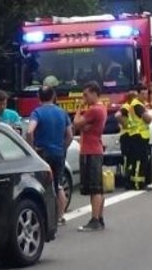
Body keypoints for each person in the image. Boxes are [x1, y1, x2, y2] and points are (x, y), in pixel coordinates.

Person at [29, 84, 71, 217]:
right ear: (53, 96)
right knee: (58, 184)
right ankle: (60, 216)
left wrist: (32, 148)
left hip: (42, 153)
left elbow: (30, 131)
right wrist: (63, 147)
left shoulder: (37, 112)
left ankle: (46, 216)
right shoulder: (62, 112)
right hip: (58, 153)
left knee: (43, 185)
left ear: (38, 97)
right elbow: (69, 135)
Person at [73, 82, 109, 231]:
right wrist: (83, 126)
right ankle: (99, 218)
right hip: (95, 149)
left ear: (94, 93)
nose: (84, 98)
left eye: (86, 95)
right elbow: (82, 126)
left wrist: (79, 109)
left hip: (90, 150)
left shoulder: (94, 110)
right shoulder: (101, 109)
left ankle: (95, 219)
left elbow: (76, 123)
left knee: (94, 188)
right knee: (98, 187)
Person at [119, 91, 152, 189]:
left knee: (139, 160)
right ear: (138, 95)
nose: (145, 96)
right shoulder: (137, 105)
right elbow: (148, 119)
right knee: (139, 160)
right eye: (142, 94)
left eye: (146, 94)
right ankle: (138, 184)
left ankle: (136, 183)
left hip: (138, 135)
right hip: (139, 135)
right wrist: (149, 115)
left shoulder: (137, 105)